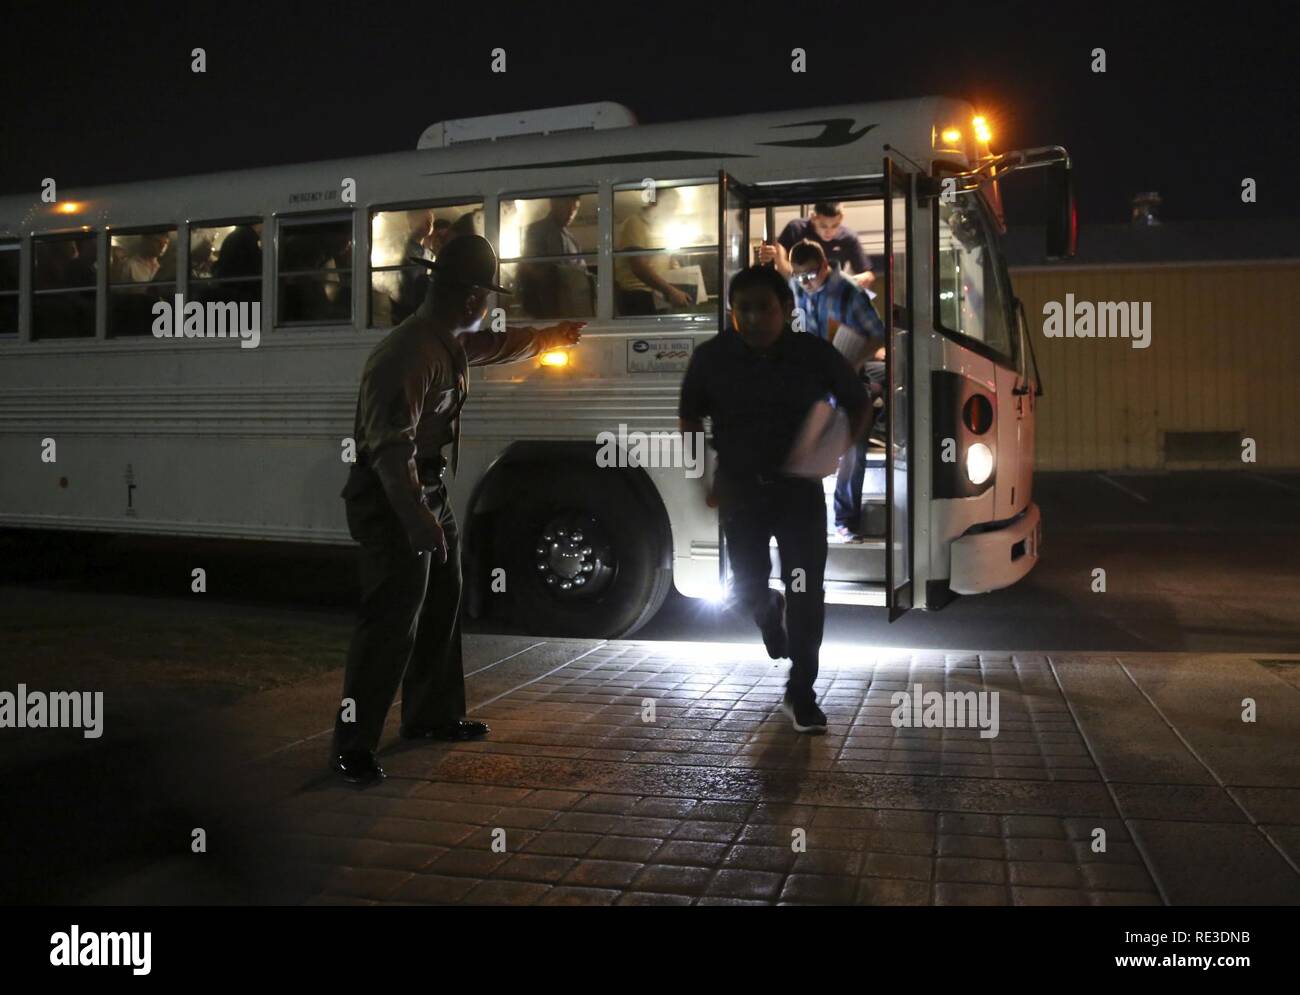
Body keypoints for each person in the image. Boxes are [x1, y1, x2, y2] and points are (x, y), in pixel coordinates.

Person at [334, 234, 584, 784]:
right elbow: (390, 446)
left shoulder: (446, 341)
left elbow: (496, 346)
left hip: (425, 491)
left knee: (442, 604)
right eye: (487, 296)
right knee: (391, 620)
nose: (490, 308)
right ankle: (352, 744)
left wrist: (547, 339)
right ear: (472, 299)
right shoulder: (408, 354)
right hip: (392, 496)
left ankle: (431, 715)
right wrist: (416, 516)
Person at [679, 264, 869, 733]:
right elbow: (688, 418)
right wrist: (704, 478)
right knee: (745, 590)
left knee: (807, 594)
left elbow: (859, 401)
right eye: (742, 308)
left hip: (798, 495)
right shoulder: (712, 357)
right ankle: (768, 611)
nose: (753, 317)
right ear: (731, 312)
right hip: (741, 491)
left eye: (763, 307)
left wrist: (840, 450)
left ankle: (802, 693)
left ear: (786, 309)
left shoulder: (813, 354)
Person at [789, 240, 885, 540]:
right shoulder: (796, 289)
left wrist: (853, 358)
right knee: (805, 441)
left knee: (852, 450)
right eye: (799, 276)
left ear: (825, 266)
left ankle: (845, 518)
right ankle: (803, 515)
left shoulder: (848, 291)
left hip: (845, 376)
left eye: (811, 275)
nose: (805, 283)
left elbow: (877, 334)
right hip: (811, 378)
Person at [757, 201, 872, 288]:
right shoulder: (795, 229)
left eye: (835, 226)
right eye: (823, 226)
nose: (829, 232)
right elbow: (779, 260)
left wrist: (846, 283)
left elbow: (867, 275)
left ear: (841, 219)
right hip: (796, 288)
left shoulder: (849, 238)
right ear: (813, 218)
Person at [614, 187, 692, 315]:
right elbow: (639, 266)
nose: (671, 212)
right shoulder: (635, 223)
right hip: (638, 295)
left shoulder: (661, 229)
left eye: (673, 208)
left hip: (658, 293)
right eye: (668, 207)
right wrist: (670, 291)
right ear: (654, 203)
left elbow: (666, 261)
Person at [519, 196, 593, 317]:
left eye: (575, 208)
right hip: (544, 306)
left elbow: (582, 274)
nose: (571, 212)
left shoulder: (573, 241)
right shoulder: (535, 231)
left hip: (571, 307)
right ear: (553, 203)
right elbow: (530, 268)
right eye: (567, 206)